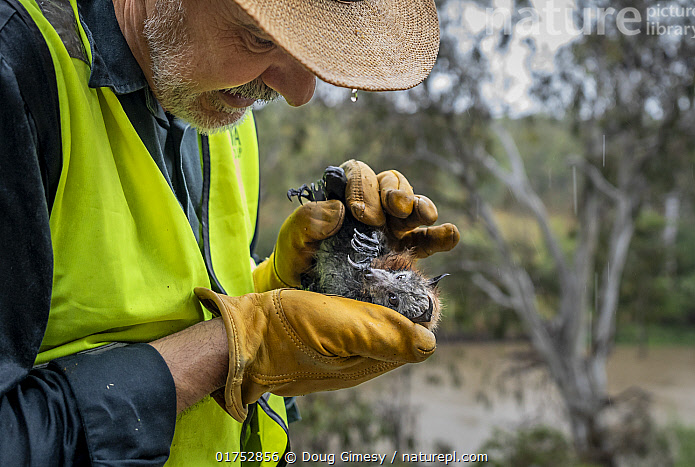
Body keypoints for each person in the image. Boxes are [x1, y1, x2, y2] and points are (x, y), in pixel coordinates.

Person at [0, 0, 460, 464]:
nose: (302, 92)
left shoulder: (218, 102)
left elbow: (176, 302)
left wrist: (299, 282)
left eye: (309, 50)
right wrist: (231, 349)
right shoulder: (16, 69)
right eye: (261, 37)